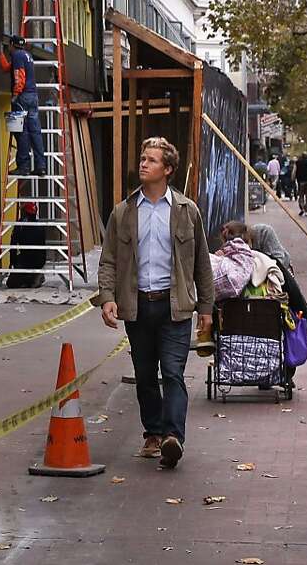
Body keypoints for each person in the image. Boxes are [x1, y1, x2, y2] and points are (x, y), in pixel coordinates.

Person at [96, 137, 216, 470]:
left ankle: (172, 437)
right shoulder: (123, 212)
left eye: (151, 160)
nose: (143, 164)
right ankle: (153, 431)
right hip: (137, 306)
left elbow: (201, 264)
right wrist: (107, 298)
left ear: (168, 169)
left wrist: (206, 309)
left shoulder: (186, 211)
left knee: (173, 373)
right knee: (145, 374)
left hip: (174, 306)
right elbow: (108, 261)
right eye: (143, 158)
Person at [0, 35, 42, 180]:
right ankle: (40, 166)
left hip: (22, 96)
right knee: (35, 131)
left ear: (12, 44)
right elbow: (7, 68)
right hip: (33, 96)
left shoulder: (17, 56)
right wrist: (1, 55)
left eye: (8, 46)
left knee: (20, 131)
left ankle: (23, 166)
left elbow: (19, 76)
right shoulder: (27, 55)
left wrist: (15, 94)